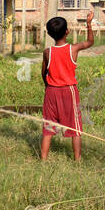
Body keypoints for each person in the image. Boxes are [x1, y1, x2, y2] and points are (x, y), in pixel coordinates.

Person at [40, 11, 94, 161]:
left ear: (50, 34)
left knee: (48, 127)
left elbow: (43, 73)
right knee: (75, 127)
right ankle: (77, 159)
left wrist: (48, 87)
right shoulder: (73, 49)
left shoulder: (47, 52)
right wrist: (88, 24)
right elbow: (90, 42)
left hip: (51, 92)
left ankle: (43, 159)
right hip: (69, 91)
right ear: (67, 32)